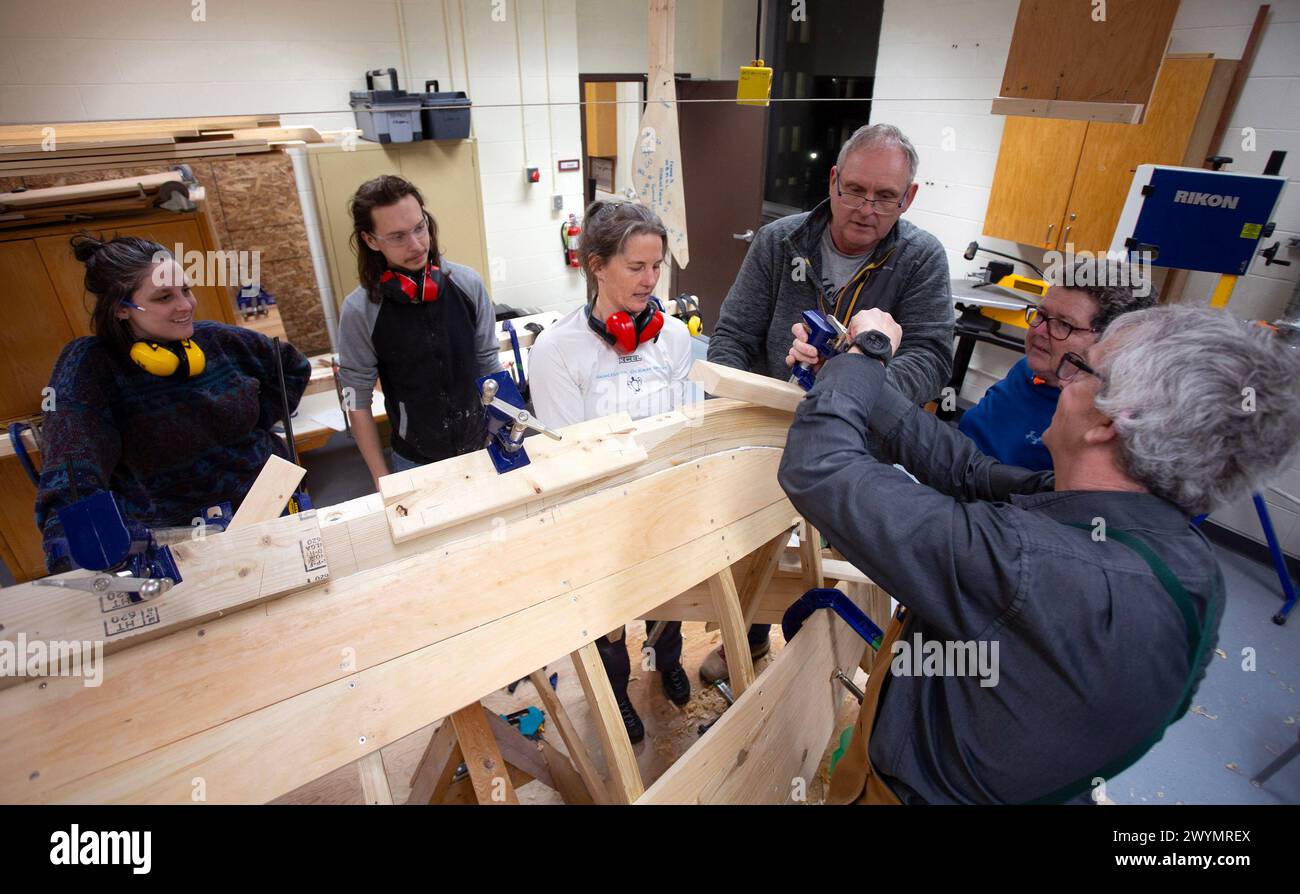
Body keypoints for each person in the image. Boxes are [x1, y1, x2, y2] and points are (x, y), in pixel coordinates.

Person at [778, 304, 1300, 804]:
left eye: (1081, 369)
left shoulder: (1033, 566)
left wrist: (866, 355)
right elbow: (968, 473)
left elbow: (821, 469)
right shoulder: (1174, 551)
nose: (1061, 379)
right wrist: (847, 377)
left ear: (1109, 421)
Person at [702, 123, 956, 682]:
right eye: (856, 190)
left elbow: (933, 362)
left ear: (908, 197)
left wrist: (853, 374)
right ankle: (749, 639)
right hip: (769, 435)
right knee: (757, 547)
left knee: (852, 559)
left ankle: (834, 667)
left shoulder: (920, 260)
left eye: (886, 196)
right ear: (834, 180)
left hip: (859, 447)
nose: (866, 208)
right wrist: (734, 406)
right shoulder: (780, 241)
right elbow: (734, 335)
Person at [35, 234, 310, 573]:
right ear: (121, 308)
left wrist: (254, 426)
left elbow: (292, 368)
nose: (186, 305)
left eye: (186, 289)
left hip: (274, 502)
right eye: (165, 297)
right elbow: (71, 472)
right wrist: (75, 539)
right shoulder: (91, 367)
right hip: (181, 543)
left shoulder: (218, 340)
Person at [529, 200, 699, 744]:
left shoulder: (672, 337)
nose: (650, 281)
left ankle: (665, 660)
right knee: (607, 617)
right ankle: (618, 692)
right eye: (635, 267)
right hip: (598, 513)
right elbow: (564, 457)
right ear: (596, 265)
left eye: (657, 266)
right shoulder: (558, 350)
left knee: (667, 598)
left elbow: (688, 420)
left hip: (664, 503)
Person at [336, 175, 501, 489]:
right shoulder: (360, 311)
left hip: (481, 446)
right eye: (397, 237)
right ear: (371, 240)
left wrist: (503, 435)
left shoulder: (468, 285)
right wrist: (382, 480)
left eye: (419, 228)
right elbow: (355, 399)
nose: (416, 245)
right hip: (415, 464)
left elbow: (489, 365)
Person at [955, 264, 1156, 470]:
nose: (1039, 330)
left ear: (1112, 343)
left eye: (1064, 324)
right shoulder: (1028, 369)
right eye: (1041, 314)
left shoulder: (1101, 422)